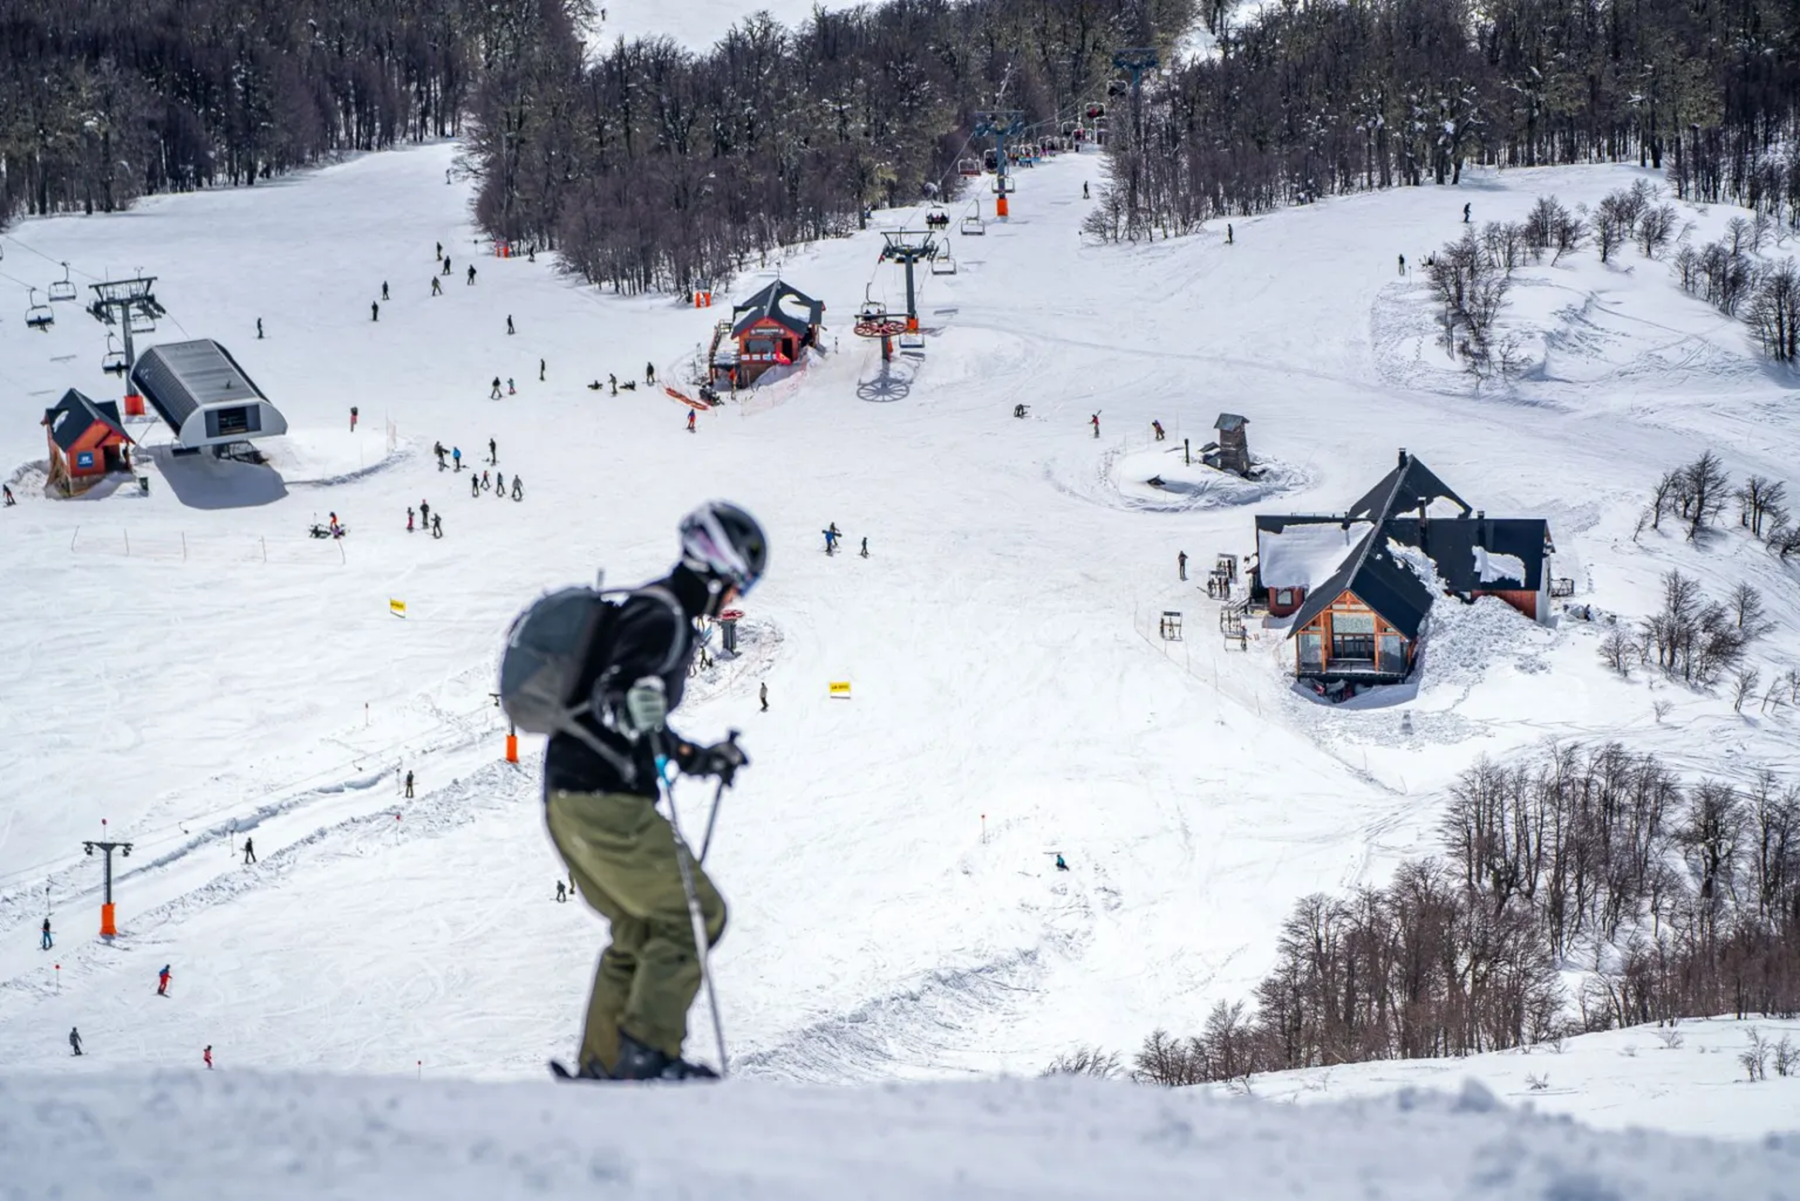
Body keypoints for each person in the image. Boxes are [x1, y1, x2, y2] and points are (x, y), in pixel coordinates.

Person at [541, 501, 766, 1081]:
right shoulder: (660, 614)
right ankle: (645, 1052)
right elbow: (620, 693)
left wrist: (694, 757)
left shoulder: (657, 610)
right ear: (717, 569)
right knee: (696, 915)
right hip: (602, 799)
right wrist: (629, 702)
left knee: (640, 930)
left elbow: (636, 714)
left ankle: (604, 1064)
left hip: (571, 796)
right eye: (739, 583)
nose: (736, 598)